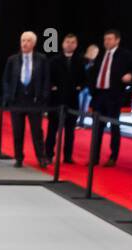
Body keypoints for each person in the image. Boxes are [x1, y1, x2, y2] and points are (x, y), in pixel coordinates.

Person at [86, 29, 132, 167]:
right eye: (105, 39)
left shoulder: (125, 55)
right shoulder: (101, 54)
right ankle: (94, 157)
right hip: (99, 95)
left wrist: (130, 75)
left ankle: (113, 157)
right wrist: (92, 91)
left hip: (113, 96)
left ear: (117, 40)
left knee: (114, 127)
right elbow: (93, 72)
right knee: (97, 127)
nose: (106, 42)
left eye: (109, 39)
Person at [1, 31, 49, 167]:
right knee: (17, 131)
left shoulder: (42, 59)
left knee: (37, 132)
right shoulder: (12, 59)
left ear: (33, 43)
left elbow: (46, 80)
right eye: (23, 40)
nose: (24, 43)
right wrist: (8, 96)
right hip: (17, 101)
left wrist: (44, 97)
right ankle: (18, 158)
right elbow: (6, 79)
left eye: (28, 41)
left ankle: (41, 157)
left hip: (34, 102)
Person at [45, 33, 83, 163]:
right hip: (55, 101)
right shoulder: (54, 60)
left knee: (70, 132)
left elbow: (84, 78)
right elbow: (47, 77)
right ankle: (48, 154)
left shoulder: (79, 61)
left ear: (76, 45)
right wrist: (52, 87)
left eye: (73, 42)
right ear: (62, 44)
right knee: (52, 130)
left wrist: (80, 86)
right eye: (67, 42)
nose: (70, 44)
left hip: (72, 101)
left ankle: (67, 157)